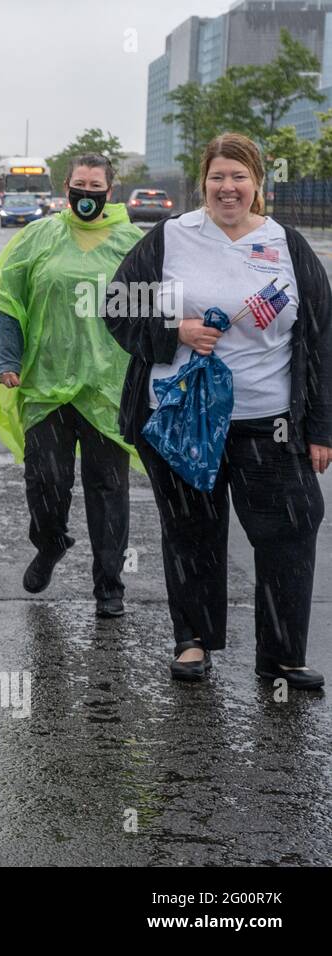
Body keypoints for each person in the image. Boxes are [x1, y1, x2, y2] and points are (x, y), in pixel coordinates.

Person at [102, 132, 332, 688]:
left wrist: (321, 427)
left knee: (291, 528)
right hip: (184, 418)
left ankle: (280, 656)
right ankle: (193, 643)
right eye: (217, 177)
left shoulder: (288, 246)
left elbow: (321, 338)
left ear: (257, 183)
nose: (228, 188)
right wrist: (173, 330)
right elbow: (115, 306)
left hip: (270, 421)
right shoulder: (170, 238)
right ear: (203, 182)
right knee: (191, 532)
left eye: (239, 177)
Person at [0, 153, 145, 617]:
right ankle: (50, 543)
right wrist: (8, 359)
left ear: (110, 192)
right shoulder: (40, 236)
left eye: (96, 186)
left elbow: (155, 310)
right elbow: (9, 296)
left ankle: (109, 586)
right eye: (79, 184)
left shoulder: (134, 244)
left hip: (107, 388)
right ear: (65, 187)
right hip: (45, 382)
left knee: (108, 489)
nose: (86, 193)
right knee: (45, 483)